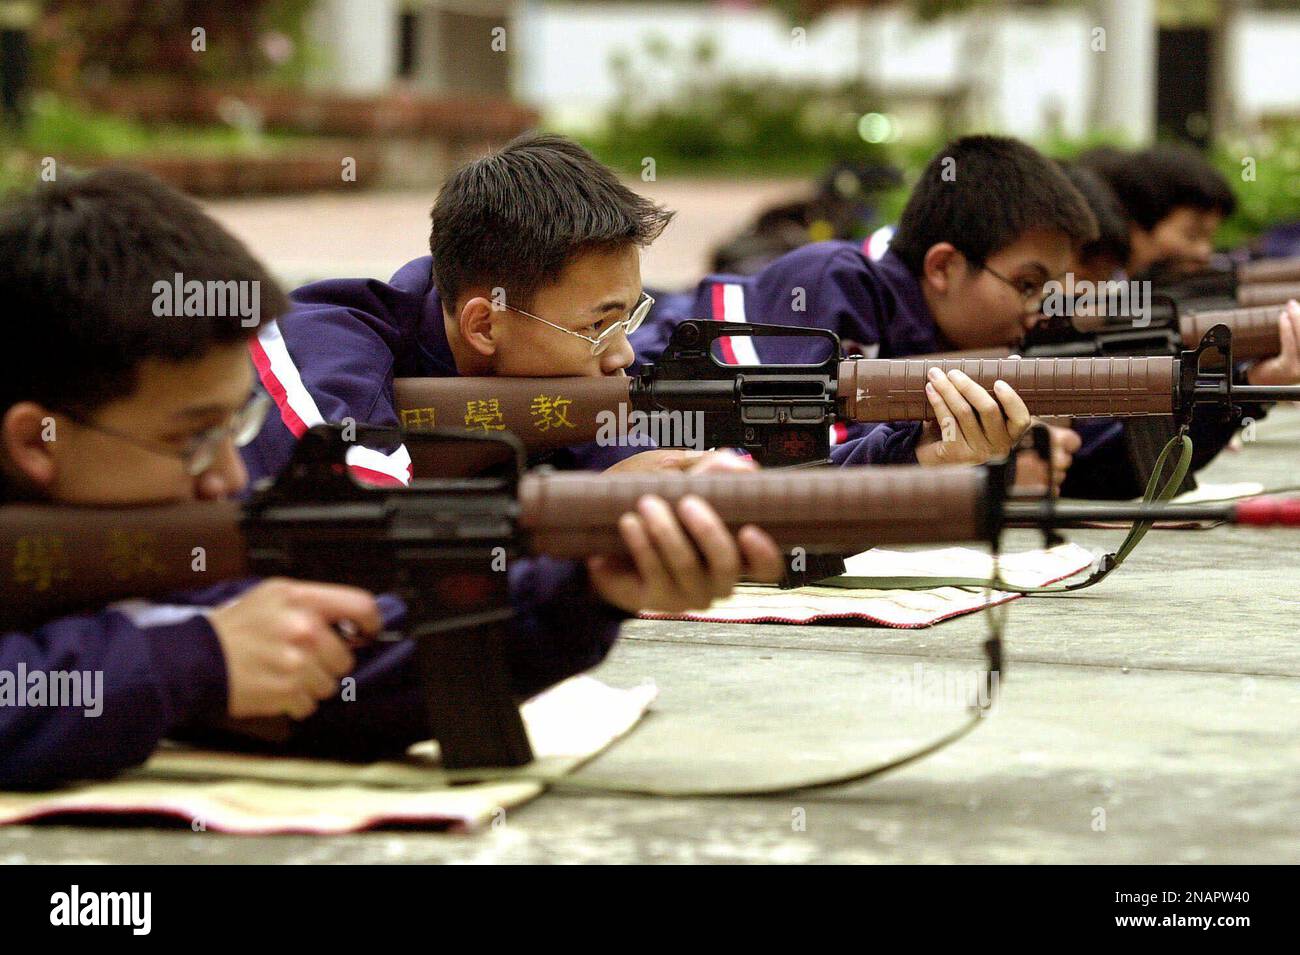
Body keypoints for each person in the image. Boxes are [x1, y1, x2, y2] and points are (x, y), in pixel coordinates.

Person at [0, 169, 783, 790]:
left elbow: (349, 669)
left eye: (235, 427)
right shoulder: (339, 341)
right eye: (192, 439)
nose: (231, 475)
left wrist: (587, 587)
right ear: (36, 442)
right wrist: (191, 662)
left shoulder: (142, 541)